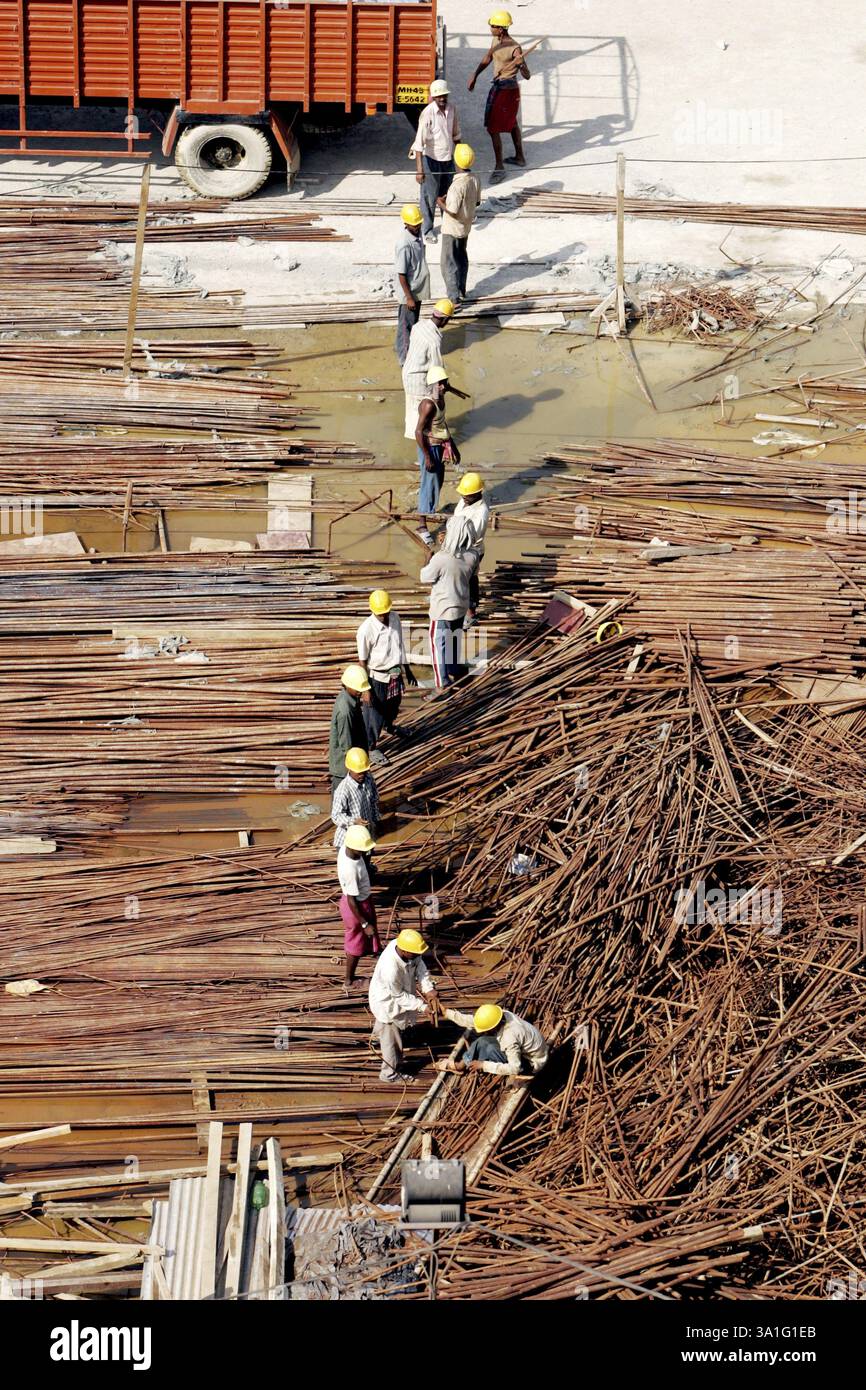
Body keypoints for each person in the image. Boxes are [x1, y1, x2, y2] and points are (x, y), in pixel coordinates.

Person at [368, 928, 439, 1082]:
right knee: (391, 1038)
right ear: (405, 951)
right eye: (415, 954)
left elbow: (420, 967)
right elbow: (398, 995)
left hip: (398, 995)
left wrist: (428, 988)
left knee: (388, 1029)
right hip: (387, 1002)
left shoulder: (406, 948)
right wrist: (422, 1006)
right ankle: (389, 1074)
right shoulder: (390, 968)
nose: (418, 956)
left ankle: (376, 1038)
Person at [468, 11, 530, 180]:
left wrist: (521, 65)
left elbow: (527, 75)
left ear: (501, 29)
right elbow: (489, 57)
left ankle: (499, 167)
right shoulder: (496, 40)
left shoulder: (515, 48)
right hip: (499, 86)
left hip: (508, 90)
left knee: (494, 127)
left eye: (493, 26)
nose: (491, 28)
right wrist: (475, 74)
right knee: (512, 122)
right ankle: (520, 157)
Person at [420, 512, 479, 688]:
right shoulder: (472, 556)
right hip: (460, 606)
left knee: (438, 647)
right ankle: (455, 669)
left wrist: (428, 559)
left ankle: (442, 684)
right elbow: (472, 578)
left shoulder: (440, 558)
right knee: (454, 640)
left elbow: (425, 577)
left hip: (442, 610)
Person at [356, 589, 417, 748]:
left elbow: (400, 645)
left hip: (395, 674)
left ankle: (389, 726)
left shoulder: (395, 618)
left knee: (393, 706)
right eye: (381, 614)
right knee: (374, 715)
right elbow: (362, 661)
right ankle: (371, 746)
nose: (384, 616)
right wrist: (365, 689)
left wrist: (408, 670)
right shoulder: (365, 630)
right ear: (373, 611)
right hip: (378, 678)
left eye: (386, 612)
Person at [415, 366, 468, 544]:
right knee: (428, 484)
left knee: (437, 481)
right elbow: (418, 432)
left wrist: (452, 444)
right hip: (429, 447)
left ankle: (430, 509)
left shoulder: (441, 399)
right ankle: (422, 525)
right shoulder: (428, 405)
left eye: (445, 383)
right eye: (441, 384)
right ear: (434, 385)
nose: (444, 387)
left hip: (440, 444)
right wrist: (428, 456)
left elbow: (442, 424)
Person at [411, 78, 460, 243]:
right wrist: (420, 170)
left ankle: (447, 223)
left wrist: (460, 157)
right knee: (429, 197)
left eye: (444, 96)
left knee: (447, 194)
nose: (442, 99)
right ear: (433, 97)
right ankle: (428, 230)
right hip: (431, 160)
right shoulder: (427, 113)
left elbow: (456, 135)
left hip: (448, 159)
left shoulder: (452, 109)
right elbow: (419, 144)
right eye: (438, 96)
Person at [443, 1003, 549, 1076]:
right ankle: (464, 1063)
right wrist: (447, 1013)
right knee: (483, 1041)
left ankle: (460, 1066)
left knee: (484, 1043)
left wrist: (483, 1065)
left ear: (493, 1026)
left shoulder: (509, 1036)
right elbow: (475, 1021)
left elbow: (515, 1068)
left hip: (531, 1064)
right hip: (534, 1053)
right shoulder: (502, 1015)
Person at [402, 298, 453, 446]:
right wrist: (445, 385)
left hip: (408, 372)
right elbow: (437, 367)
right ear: (444, 319)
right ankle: (425, 443)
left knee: (412, 408)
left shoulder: (419, 325)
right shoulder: (434, 340)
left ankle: (416, 437)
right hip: (419, 378)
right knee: (426, 409)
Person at [437, 144, 481, 307]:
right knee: (461, 258)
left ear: (456, 162)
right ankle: (461, 290)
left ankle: (453, 298)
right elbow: (476, 201)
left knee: (448, 262)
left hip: (452, 229)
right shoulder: (475, 178)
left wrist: (440, 203)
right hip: (465, 227)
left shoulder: (457, 185)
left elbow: (453, 211)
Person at [338, 823, 381, 989]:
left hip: (363, 900)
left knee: (370, 931)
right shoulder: (350, 869)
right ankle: (349, 981)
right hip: (356, 908)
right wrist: (364, 923)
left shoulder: (346, 849)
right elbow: (351, 900)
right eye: (363, 850)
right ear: (354, 847)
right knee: (355, 944)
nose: (366, 852)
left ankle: (375, 950)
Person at [394, 203, 429, 366]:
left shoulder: (417, 233)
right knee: (406, 326)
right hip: (410, 292)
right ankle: (405, 360)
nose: (418, 227)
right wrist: (409, 298)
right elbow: (401, 274)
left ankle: (405, 350)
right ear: (406, 224)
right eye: (414, 225)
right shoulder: (404, 244)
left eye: (419, 224)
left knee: (411, 324)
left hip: (417, 288)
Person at [454, 471, 490, 628]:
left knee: (469, 580)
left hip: (472, 551)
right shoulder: (465, 501)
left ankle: (471, 613)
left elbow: (470, 537)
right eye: (463, 494)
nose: (463, 497)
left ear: (477, 494)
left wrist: (453, 540)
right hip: (456, 546)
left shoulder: (481, 513)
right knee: (459, 578)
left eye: (467, 495)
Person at [328, 664, 371, 793]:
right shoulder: (345, 711)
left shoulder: (350, 697)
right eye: (358, 689)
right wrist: (356, 769)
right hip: (346, 767)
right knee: (341, 802)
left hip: (352, 762)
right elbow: (346, 746)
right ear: (348, 685)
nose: (360, 692)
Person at [331, 746, 380, 851]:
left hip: (365, 836)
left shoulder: (369, 779)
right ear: (350, 769)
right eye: (359, 772)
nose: (362, 775)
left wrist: (375, 821)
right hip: (348, 842)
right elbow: (336, 816)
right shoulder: (343, 790)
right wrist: (353, 821)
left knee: (366, 862)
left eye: (364, 771)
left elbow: (374, 800)